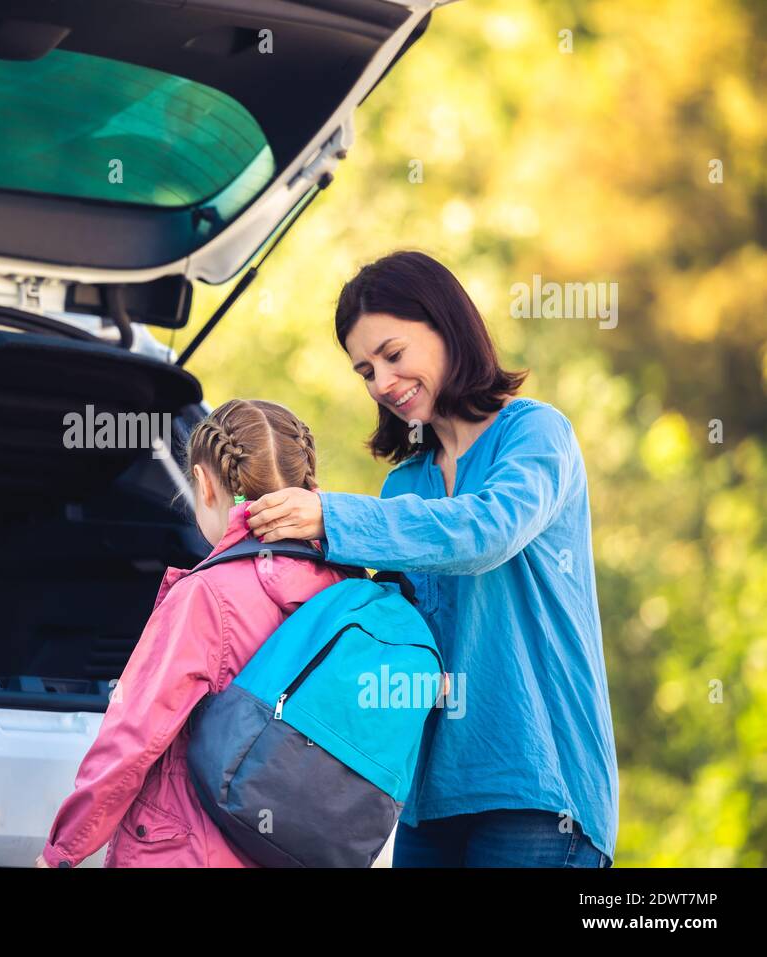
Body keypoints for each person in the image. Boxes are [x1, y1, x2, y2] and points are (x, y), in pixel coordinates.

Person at [246, 250, 619, 867]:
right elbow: (388, 629)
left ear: (448, 328)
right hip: (428, 798)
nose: (382, 383)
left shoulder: (534, 435)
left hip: (537, 787)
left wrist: (334, 517)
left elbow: (485, 533)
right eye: (365, 370)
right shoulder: (403, 486)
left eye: (394, 355)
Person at [36, 399, 349, 867]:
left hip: (182, 849)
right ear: (309, 486)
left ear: (203, 484)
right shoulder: (346, 592)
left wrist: (63, 851)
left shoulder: (206, 596)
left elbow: (133, 739)